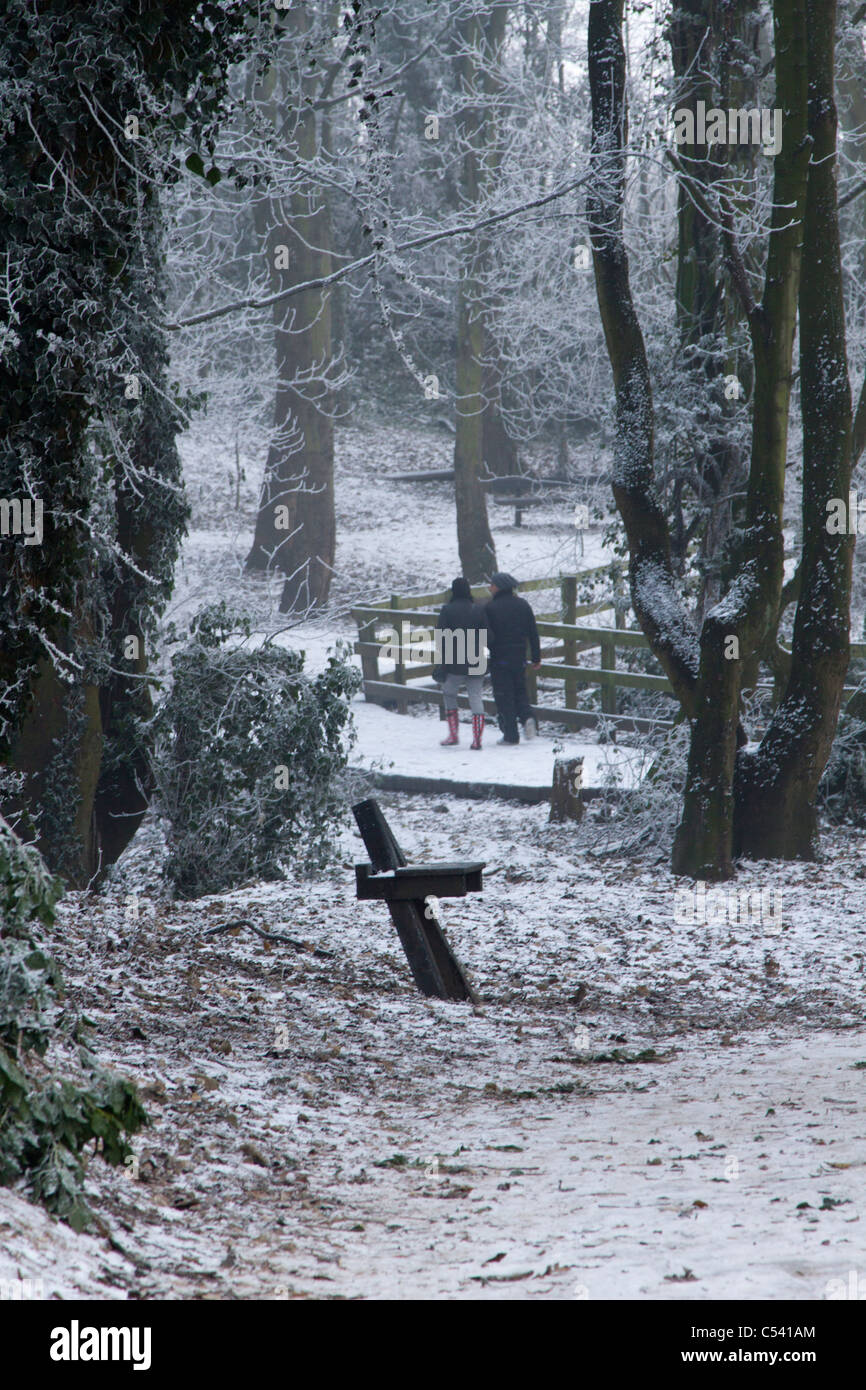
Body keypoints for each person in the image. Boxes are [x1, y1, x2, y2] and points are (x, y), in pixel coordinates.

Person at [485, 571, 541, 745]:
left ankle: (510, 735)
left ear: (499, 587)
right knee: (520, 692)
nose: (489, 588)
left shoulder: (490, 608)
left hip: (499, 659)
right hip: (519, 658)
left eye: (492, 585)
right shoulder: (523, 605)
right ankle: (527, 718)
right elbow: (533, 633)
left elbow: (486, 635)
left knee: (504, 696)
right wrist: (536, 657)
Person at [436, 577, 488, 749]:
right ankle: (477, 740)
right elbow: (488, 636)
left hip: (455, 661)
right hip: (476, 660)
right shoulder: (478, 610)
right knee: (476, 697)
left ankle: (453, 735)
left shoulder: (447, 610)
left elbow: (441, 638)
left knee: (449, 693)